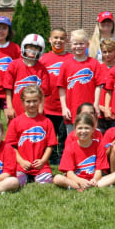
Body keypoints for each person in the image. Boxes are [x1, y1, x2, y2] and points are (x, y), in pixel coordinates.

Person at [4, 85, 56, 185]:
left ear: (40, 101)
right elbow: (11, 146)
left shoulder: (47, 122)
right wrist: (21, 161)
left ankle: (38, 176)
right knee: (16, 182)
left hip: (41, 165)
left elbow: (50, 145)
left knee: (45, 182)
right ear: (22, 102)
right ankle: (25, 177)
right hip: (21, 165)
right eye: (28, 101)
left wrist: (43, 161)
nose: (31, 104)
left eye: (35, 101)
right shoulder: (15, 122)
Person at [58, 29, 106, 127]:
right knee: (73, 138)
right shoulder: (66, 65)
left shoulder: (94, 63)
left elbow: (98, 85)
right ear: (71, 45)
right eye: (75, 44)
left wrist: (96, 104)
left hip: (89, 108)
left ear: (87, 45)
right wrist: (64, 107)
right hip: (72, 109)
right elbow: (61, 87)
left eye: (81, 44)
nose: (78, 47)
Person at [39, 28, 69, 163]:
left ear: (66, 40)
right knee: (50, 134)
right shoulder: (44, 59)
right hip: (48, 105)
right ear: (50, 39)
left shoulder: (70, 58)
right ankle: (51, 157)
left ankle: (63, 157)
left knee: (64, 134)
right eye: (55, 37)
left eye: (62, 38)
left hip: (64, 105)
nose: (58, 41)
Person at [54, 114, 106, 190]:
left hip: (93, 179)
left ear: (92, 129)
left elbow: (99, 171)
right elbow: (69, 173)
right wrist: (81, 181)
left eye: (87, 128)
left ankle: (87, 186)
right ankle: (82, 186)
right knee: (57, 178)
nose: (83, 131)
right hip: (76, 179)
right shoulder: (70, 147)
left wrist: (94, 180)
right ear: (75, 129)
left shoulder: (99, 146)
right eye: (80, 128)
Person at [5, 34, 49, 120]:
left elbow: (43, 93)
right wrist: (9, 107)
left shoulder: (42, 69)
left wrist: (40, 109)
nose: (33, 50)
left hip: (35, 110)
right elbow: (8, 89)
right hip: (17, 108)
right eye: (30, 47)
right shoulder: (14, 65)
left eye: (36, 48)